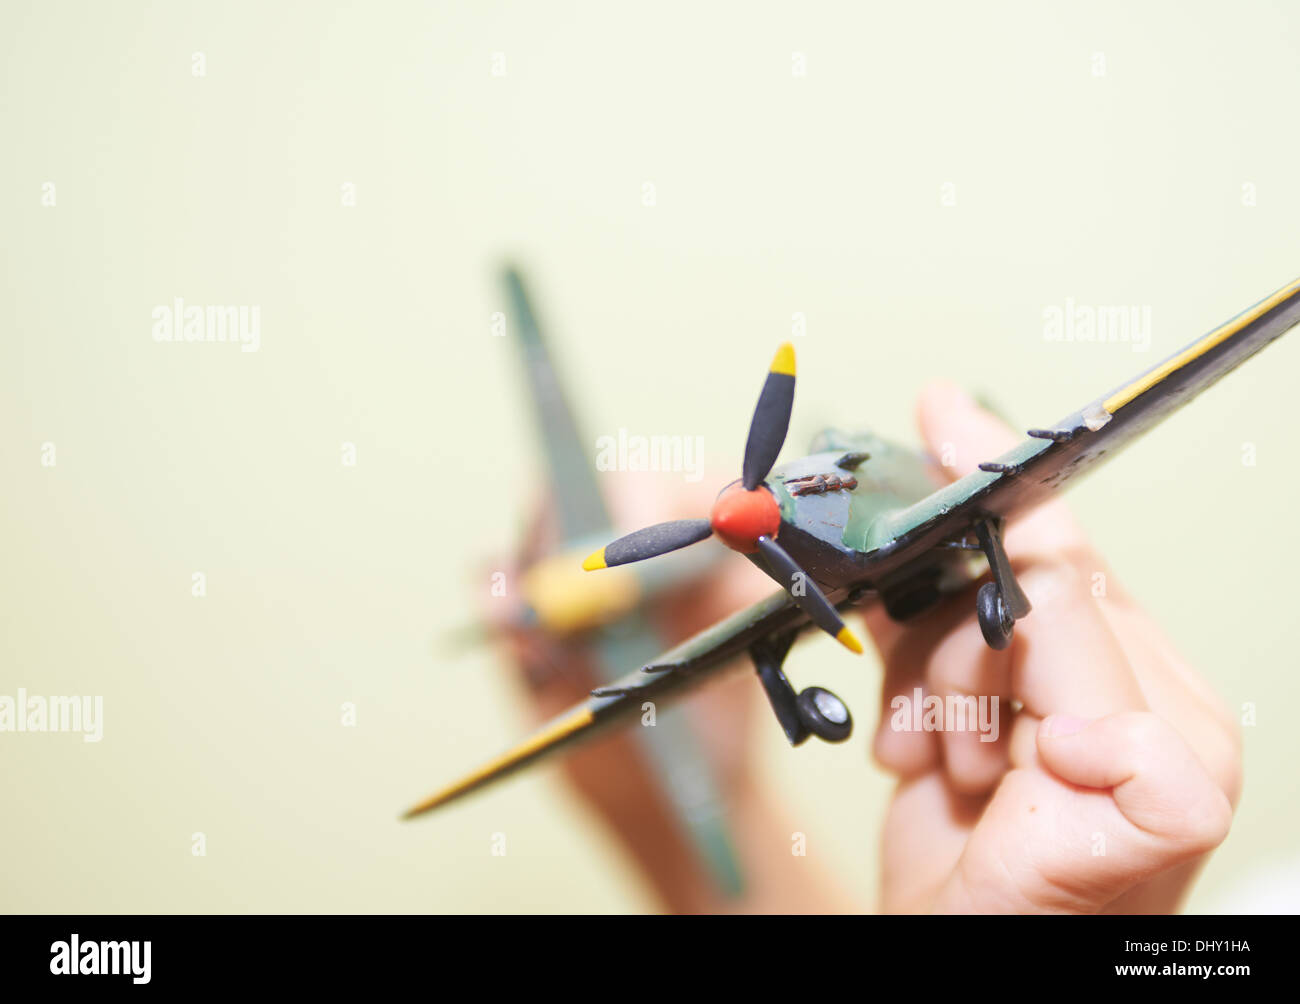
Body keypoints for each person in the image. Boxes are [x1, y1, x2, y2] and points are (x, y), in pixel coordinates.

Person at [500, 382, 1241, 914]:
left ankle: (1000, 597)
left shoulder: (896, 497)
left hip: (942, 547)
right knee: (769, 654)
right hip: (843, 596)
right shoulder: (777, 554)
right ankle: (800, 709)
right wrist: (716, 791)